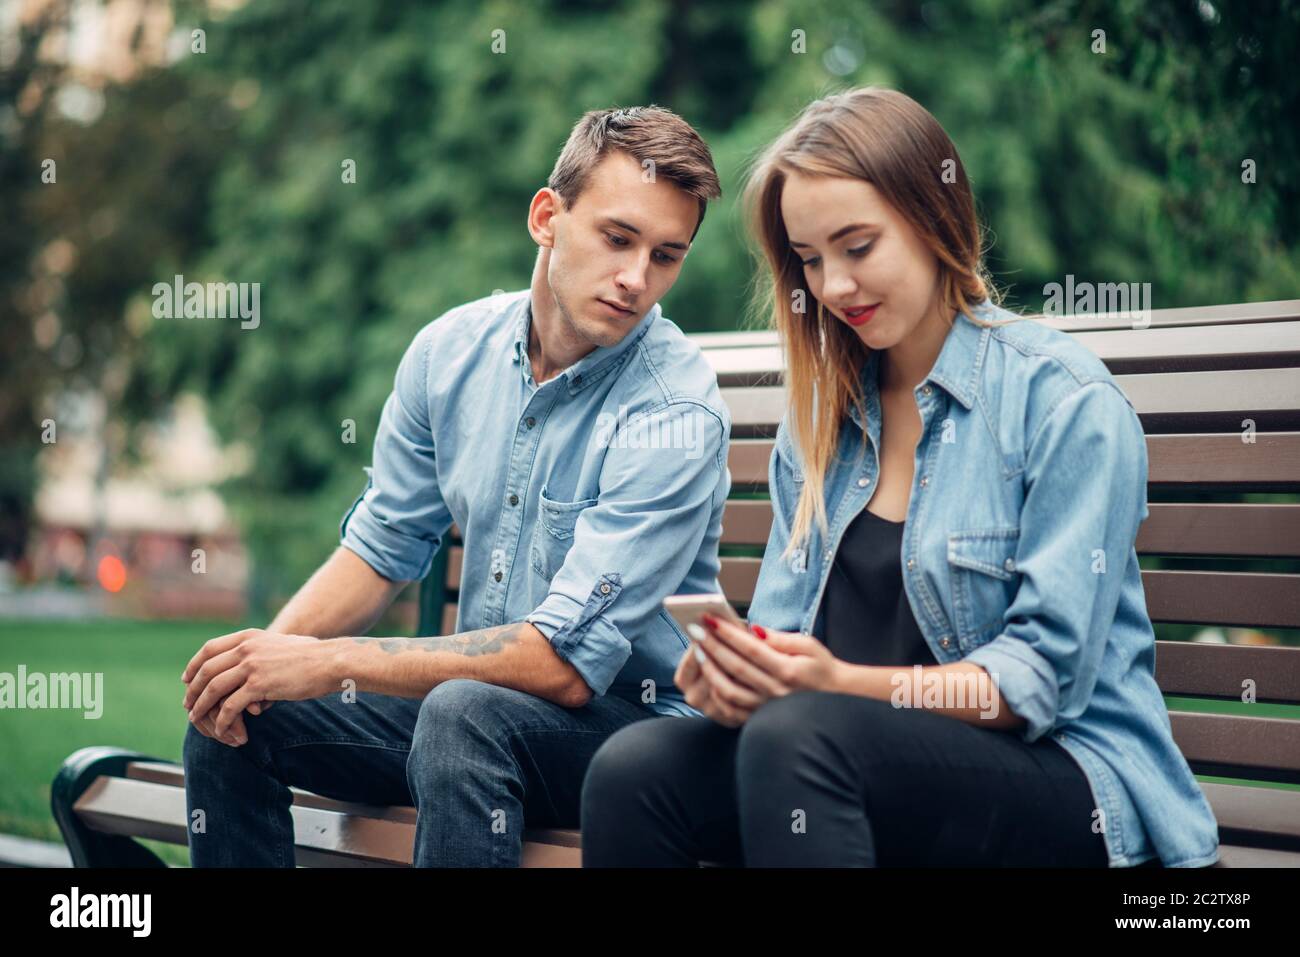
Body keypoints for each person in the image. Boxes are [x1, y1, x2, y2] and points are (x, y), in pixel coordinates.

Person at [580, 88, 1221, 868]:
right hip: (848, 763)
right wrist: (742, 678)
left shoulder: (1062, 401)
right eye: (811, 260)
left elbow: (1036, 684)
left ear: (932, 220)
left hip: (1066, 778)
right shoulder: (821, 421)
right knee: (634, 770)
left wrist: (838, 682)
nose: (835, 286)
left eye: (857, 246)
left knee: (800, 738)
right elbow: (787, 644)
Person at [182, 105, 731, 867]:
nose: (637, 277)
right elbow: (381, 547)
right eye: (617, 237)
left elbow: (564, 669)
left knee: (462, 714)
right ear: (547, 216)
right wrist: (265, 658)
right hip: (473, 723)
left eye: (666, 255)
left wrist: (335, 660)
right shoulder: (449, 353)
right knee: (242, 709)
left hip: (630, 736)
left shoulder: (673, 410)